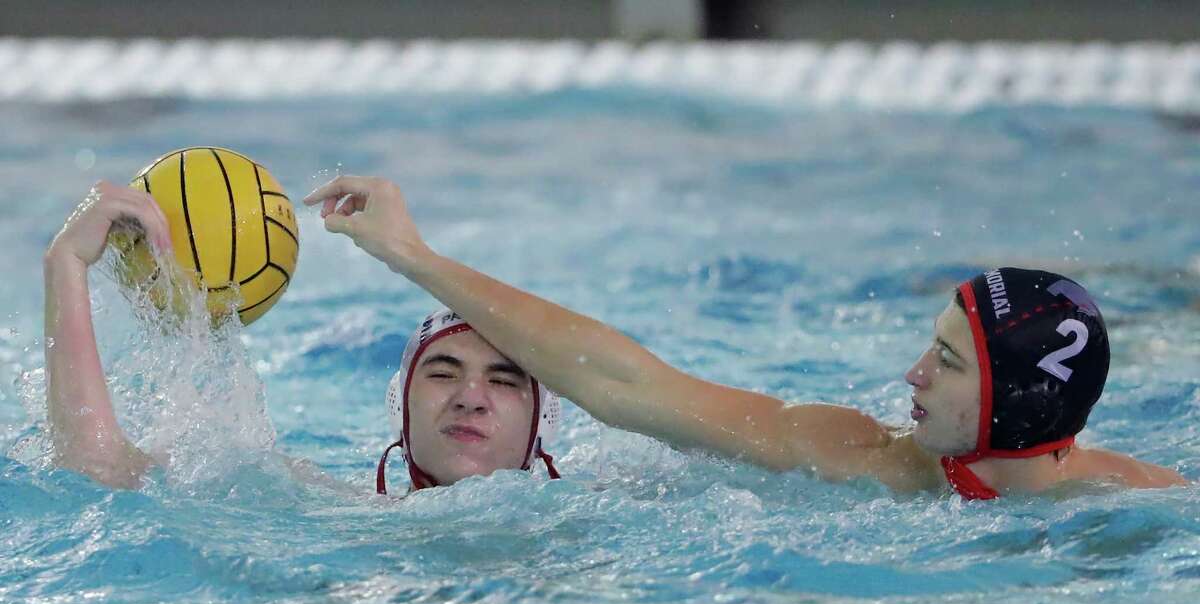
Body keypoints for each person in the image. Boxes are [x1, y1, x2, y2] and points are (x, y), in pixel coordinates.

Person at [304, 175, 1187, 500]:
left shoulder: (1136, 510)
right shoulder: (861, 457)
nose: (912, 374)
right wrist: (413, 256)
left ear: (1013, 404)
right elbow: (630, 386)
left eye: (947, 361)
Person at [42, 181, 559, 493]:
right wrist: (66, 263)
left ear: (542, 421)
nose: (470, 398)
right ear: (400, 408)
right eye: (443, 373)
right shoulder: (328, 509)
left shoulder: (595, 507)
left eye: (503, 381)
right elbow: (102, 471)